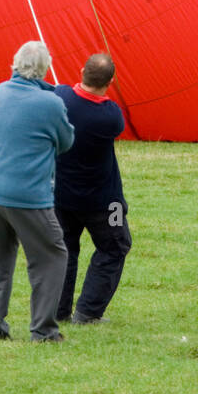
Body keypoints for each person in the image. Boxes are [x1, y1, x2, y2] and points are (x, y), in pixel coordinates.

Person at [0, 40, 74, 343]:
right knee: (51, 256)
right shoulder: (51, 103)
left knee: (0, 263)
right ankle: (44, 330)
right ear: (46, 70)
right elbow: (66, 141)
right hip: (28, 196)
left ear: (14, 63)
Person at [53, 53, 131, 325]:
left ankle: (58, 311)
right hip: (106, 203)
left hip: (62, 198)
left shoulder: (61, 98)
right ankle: (87, 313)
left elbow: (57, 91)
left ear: (82, 70)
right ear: (111, 81)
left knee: (64, 249)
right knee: (117, 245)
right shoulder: (111, 116)